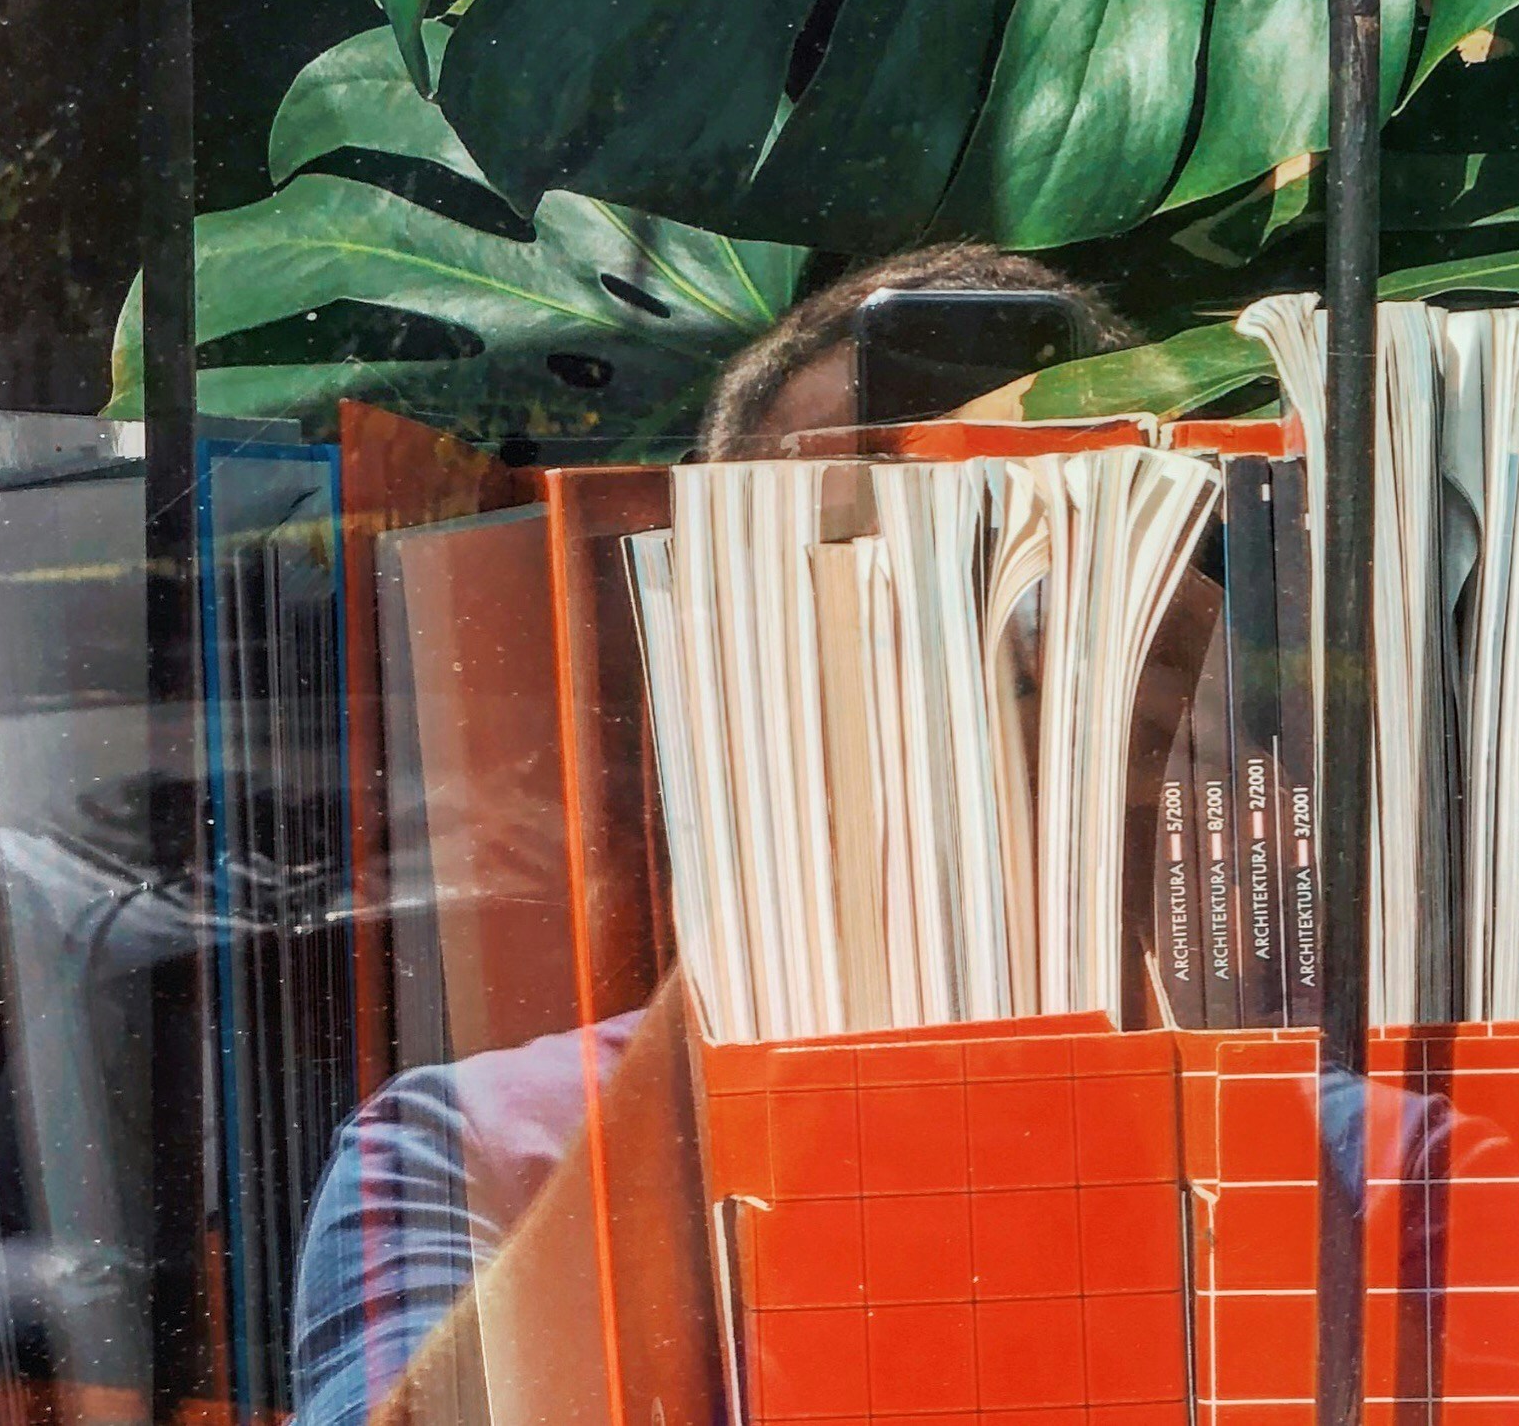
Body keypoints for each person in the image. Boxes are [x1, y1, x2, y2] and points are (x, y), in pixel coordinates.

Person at [291, 244, 1129, 1426]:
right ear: (719, 652)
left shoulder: (1315, 1119)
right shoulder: (478, 1152)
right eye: (847, 574)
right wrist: (804, 863)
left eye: (1022, 583)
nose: (956, 656)